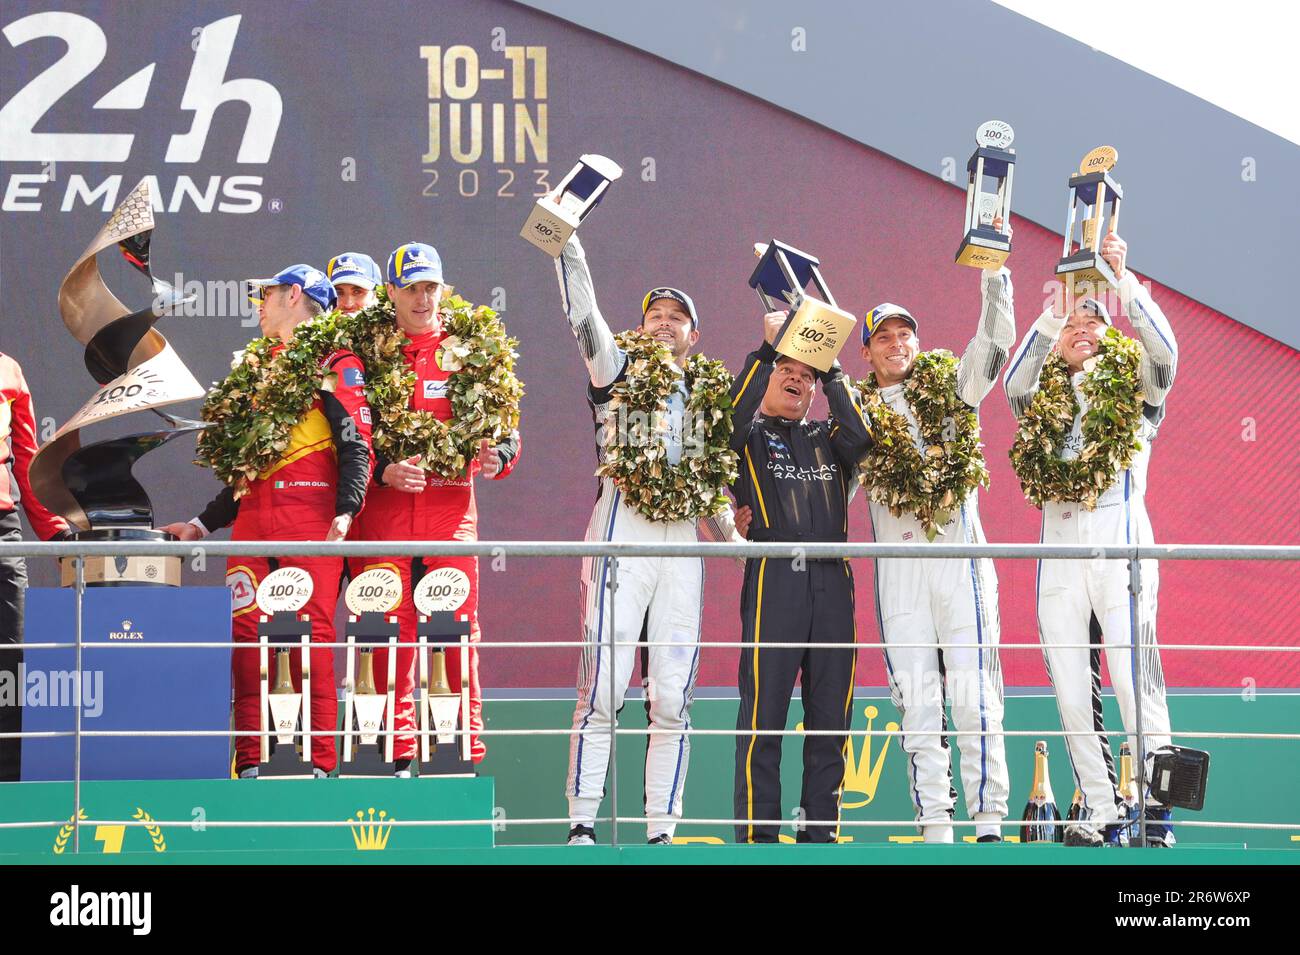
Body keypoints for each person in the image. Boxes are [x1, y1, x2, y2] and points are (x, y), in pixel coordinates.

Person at [555, 234, 742, 846]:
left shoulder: (706, 398)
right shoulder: (618, 369)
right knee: (604, 685)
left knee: (671, 696)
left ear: (695, 336)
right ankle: (582, 825)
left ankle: (662, 830)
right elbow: (584, 316)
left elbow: (709, 487)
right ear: (639, 328)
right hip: (621, 532)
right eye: (654, 315)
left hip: (682, 547)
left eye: (677, 317)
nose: (664, 323)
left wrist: (733, 539)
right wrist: (569, 246)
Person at [163, 265, 373, 778]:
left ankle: (319, 765)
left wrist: (346, 512)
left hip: (311, 518)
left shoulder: (335, 362)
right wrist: (202, 522)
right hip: (254, 522)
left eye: (267, 293)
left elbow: (356, 446)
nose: (259, 301)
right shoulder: (257, 368)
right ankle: (252, 764)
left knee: (313, 640)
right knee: (246, 638)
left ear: (294, 295)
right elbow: (246, 468)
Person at [1003, 231, 1178, 847]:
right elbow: (1012, 384)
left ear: (1112, 333)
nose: (1083, 323)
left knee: (1134, 682)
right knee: (1074, 692)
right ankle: (1104, 814)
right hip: (1059, 550)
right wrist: (1055, 309)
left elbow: (1167, 355)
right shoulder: (1043, 399)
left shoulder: (1135, 389)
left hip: (1122, 539)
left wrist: (1123, 282)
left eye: (1094, 317)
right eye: (1074, 317)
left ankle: (1155, 816)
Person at [855, 251, 1015, 844]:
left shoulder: (954, 390)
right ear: (866, 352)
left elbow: (995, 343)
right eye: (884, 337)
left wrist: (994, 271)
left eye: (905, 333)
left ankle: (990, 824)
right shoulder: (854, 411)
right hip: (898, 573)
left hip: (960, 564)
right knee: (918, 708)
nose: (897, 343)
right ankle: (934, 829)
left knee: (975, 700)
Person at [348, 242, 520, 773]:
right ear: (392, 291)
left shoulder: (471, 347)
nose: (424, 298)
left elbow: (506, 428)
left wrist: (501, 455)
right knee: (377, 639)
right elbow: (346, 434)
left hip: (450, 519)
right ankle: (381, 757)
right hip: (381, 519)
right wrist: (381, 472)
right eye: (413, 288)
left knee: (452, 639)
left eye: (432, 287)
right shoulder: (363, 352)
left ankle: (455, 756)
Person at [728, 310, 872, 844]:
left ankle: (820, 839)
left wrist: (833, 373)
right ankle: (757, 841)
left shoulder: (827, 436)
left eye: (806, 373)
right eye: (786, 369)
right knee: (764, 717)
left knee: (830, 718)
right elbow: (726, 419)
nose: (797, 378)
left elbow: (862, 440)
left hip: (833, 580)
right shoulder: (749, 434)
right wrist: (765, 351)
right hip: (774, 577)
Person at [0, 353, 70, 781]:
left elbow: (27, 459)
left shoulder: (8, 369)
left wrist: (56, 533)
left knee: (13, 653)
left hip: (2, 530)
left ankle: (9, 780)